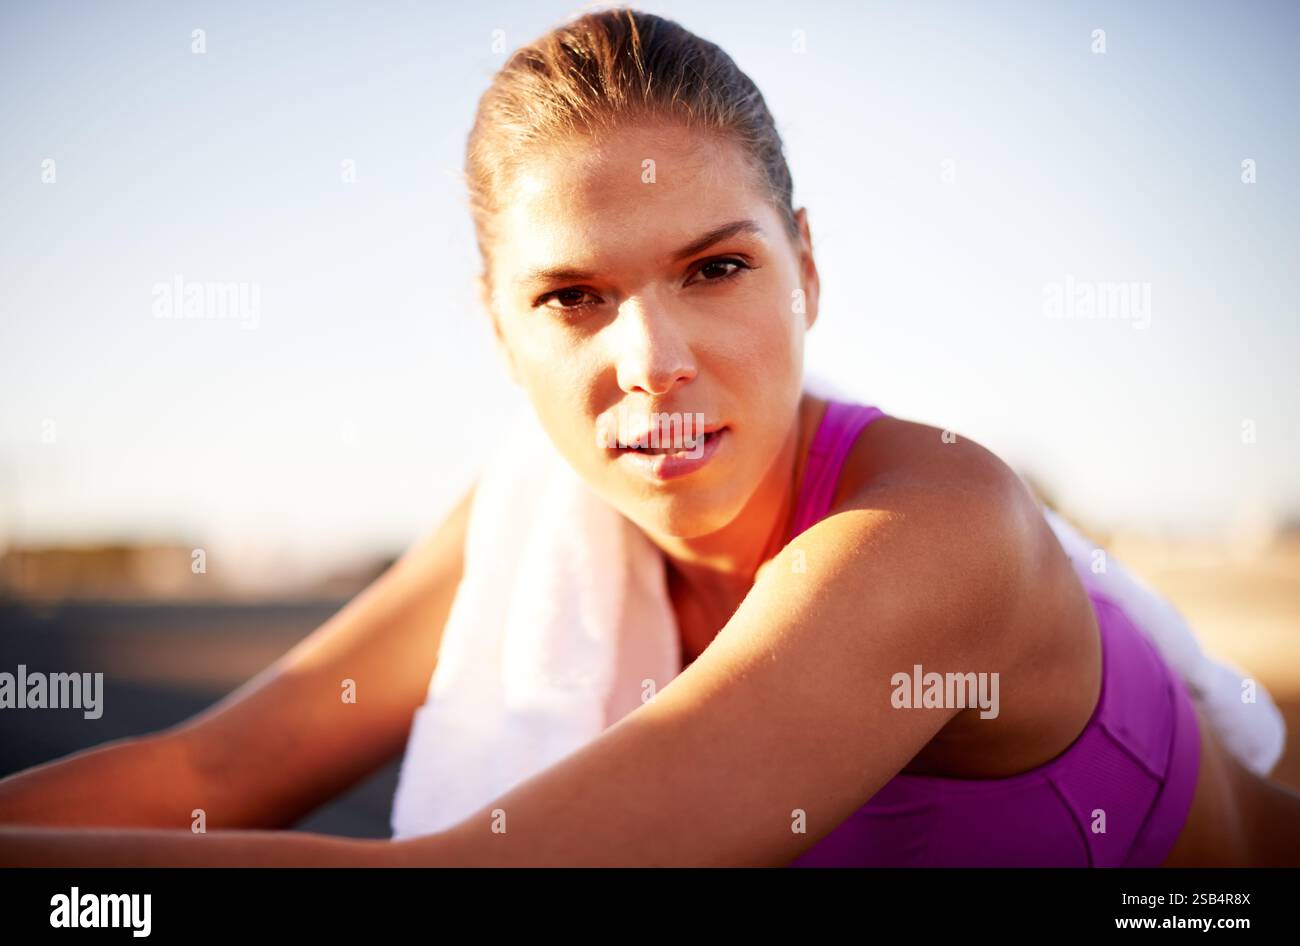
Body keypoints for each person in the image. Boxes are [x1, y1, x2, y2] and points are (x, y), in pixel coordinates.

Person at [2, 7, 1298, 867]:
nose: (651, 359)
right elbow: (218, 763)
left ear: (805, 267)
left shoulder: (932, 526)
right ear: (501, 331)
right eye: (572, 296)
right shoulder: (537, 515)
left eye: (716, 268)